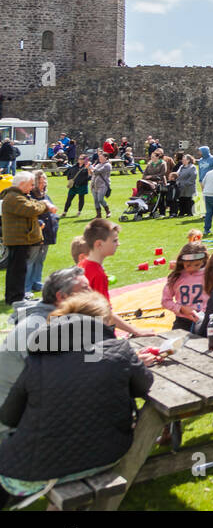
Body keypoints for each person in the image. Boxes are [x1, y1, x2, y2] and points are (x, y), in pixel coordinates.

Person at [0, 291, 155, 509]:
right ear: (103, 322)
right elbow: (144, 384)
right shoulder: (119, 351)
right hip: (105, 455)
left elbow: (9, 416)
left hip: (37, 465)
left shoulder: (40, 359)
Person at [0, 267, 92, 436]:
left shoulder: (49, 320)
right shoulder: (39, 328)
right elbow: (59, 384)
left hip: (25, 415)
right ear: (61, 297)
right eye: (85, 290)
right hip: (14, 430)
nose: (92, 294)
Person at [76, 217, 145, 336]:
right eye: (114, 241)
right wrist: (136, 331)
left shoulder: (83, 264)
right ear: (99, 244)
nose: (118, 244)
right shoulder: (98, 274)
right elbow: (105, 313)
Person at [4, 171, 57, 305]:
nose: (32, 187)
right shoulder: (14, 197)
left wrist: (42, 203)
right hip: (18, 239)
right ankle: (16, 298)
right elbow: (32, 209)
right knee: (18, 271)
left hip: (20, 238)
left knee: (17, 270)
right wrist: (45, 203)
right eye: (30, 184)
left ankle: (15, 297)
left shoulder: (19, 196)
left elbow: (33, 205)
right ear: (22, 184)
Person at [160, 242, 209, 331]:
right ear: (182, 262)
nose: (192, 268)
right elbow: (165, 301)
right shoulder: (176, 277)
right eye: (188, 265)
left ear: (204, 261)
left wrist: (204, 311)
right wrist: (181, 309)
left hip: (205, 319)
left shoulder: (210, 275)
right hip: (183, 320)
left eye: (197, 265)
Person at [24, 171, 57, 298]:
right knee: (31, 259)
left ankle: (36, 283)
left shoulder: (45, 195)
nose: (44, 183)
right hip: (36, 232)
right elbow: (29, 212)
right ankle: (26, 287)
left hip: (47, 232)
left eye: (45, 181)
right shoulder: (30, 196)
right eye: (41, 181)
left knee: (40, 259)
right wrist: (39, 222)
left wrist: (55, 219)